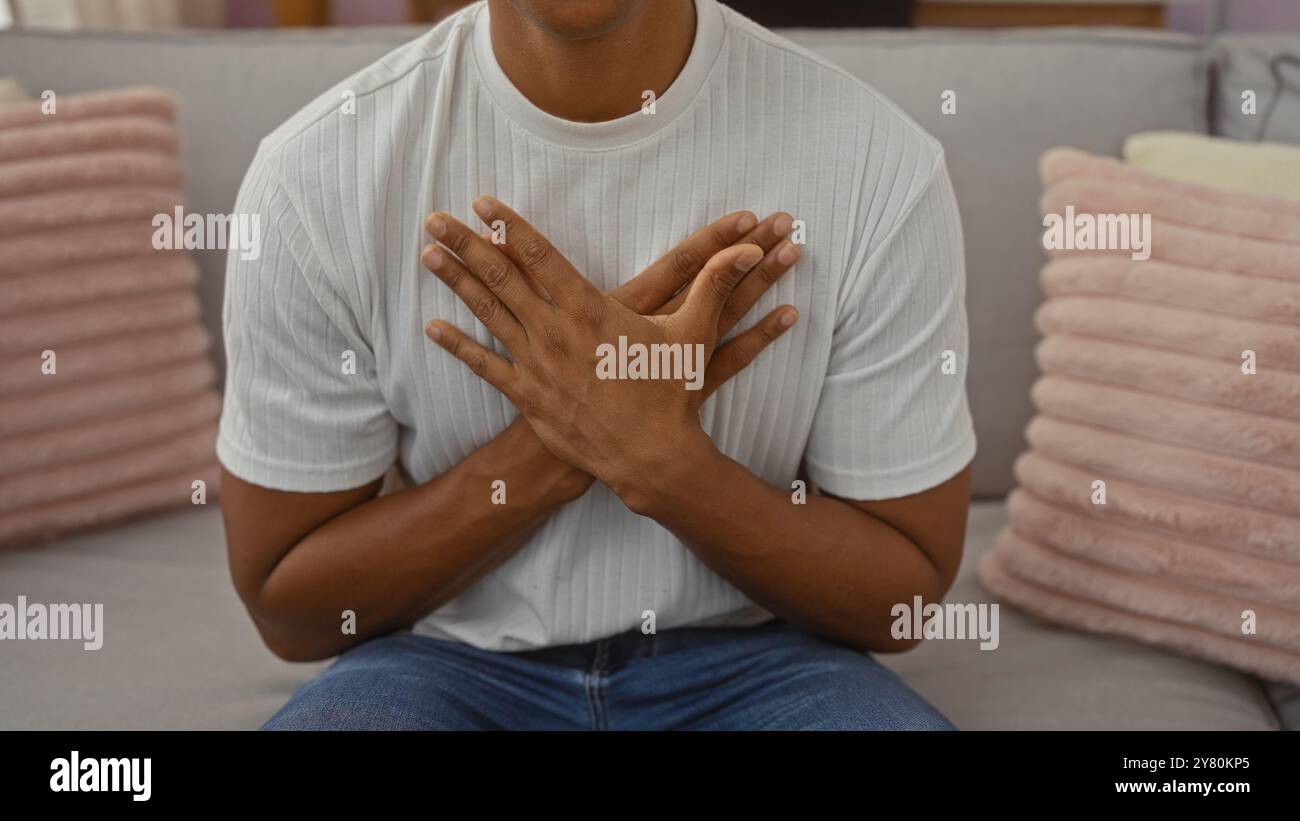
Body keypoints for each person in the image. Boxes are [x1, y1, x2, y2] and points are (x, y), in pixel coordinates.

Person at [218, 0, 975, 730]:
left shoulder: (879, 166)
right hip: (444, 662)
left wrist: (667, 465)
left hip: (768, 661)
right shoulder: (312, 179)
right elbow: (289, 610)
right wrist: (572, 432)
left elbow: (899, 598)